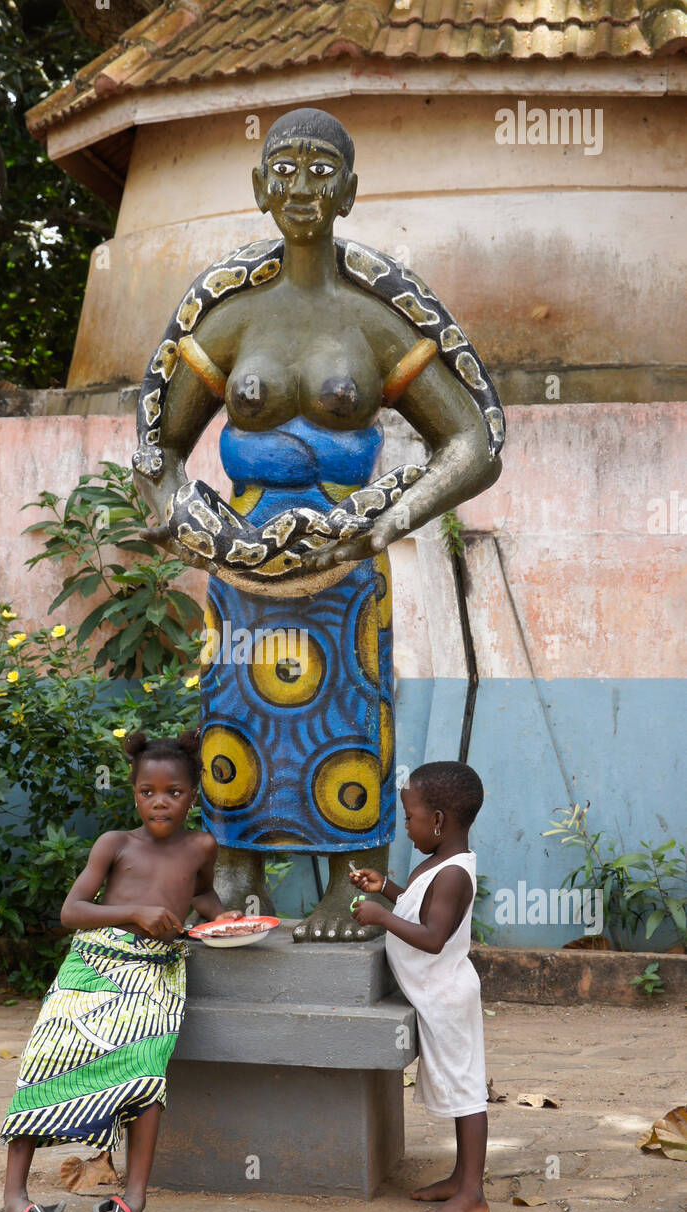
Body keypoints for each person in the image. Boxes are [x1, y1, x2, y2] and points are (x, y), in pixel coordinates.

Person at [132, 107, 504, 941]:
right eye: (287, 168)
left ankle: (349, 883)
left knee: (350, 714)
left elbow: (474, 440)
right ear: (262, 187)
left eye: (322, 169)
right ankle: (238, 864)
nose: (304, 187)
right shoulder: (227, 317)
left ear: (351, 191)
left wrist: (395, 515)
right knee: (235, 711)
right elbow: (160, 449)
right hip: (240, 562)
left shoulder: (376, 318)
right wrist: (174, 513)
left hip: (347, 555)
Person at [0, 729, 240, 1212]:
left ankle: (134, 1196)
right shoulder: (115, 844)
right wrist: (134, 911)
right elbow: (72, 911)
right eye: (148, 791)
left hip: (157, 974)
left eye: (174, 792)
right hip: (93, 967)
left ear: (193, 796)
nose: (160, 802)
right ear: (133, 794)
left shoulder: (201, 845)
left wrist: (225, 919)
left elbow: (202, 895)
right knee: (46, 1062)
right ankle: (15, 1198)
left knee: (146, 1075)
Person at [350, 760, 489, 1212]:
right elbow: (416, 905)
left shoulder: (454, 875)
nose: (405, 825)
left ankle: (473, 1195)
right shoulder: (434, 865)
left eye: (409, 816)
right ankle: (459, 1178)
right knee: (453, 1086)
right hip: (433, 996)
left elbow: (432, 937)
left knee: (466, 1095)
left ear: (438, 821)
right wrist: (385, 888)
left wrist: (380, 916)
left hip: (447, 997)